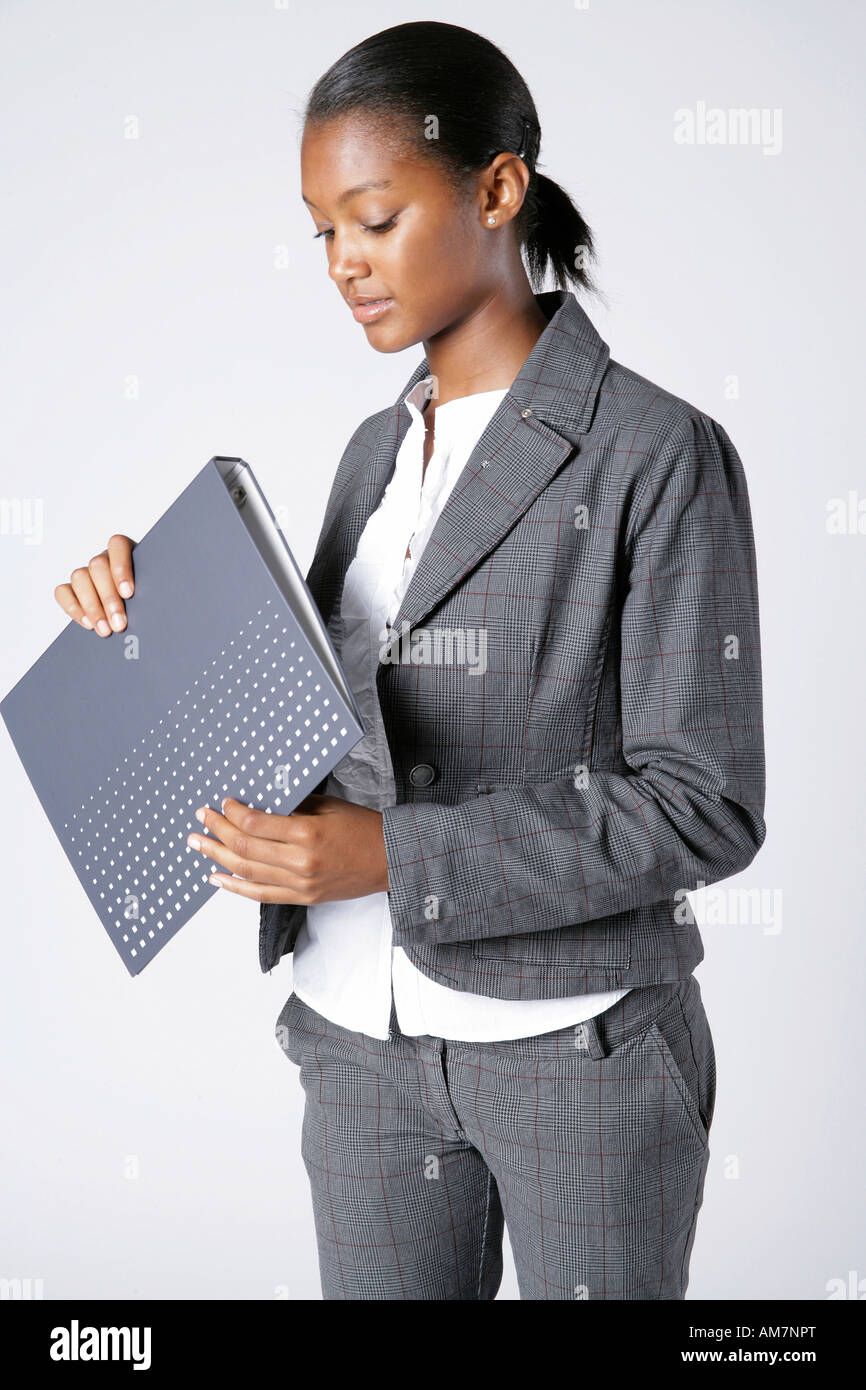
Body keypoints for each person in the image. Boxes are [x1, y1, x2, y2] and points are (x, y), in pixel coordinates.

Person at [54, 21, 766, 1300]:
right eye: (322, 230)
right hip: (357, 1044)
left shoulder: (655, 452)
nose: (340, 264)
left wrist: (396, 858)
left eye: (372, 220)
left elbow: (702, 800)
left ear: (495, 189)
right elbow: (314, 728)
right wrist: (143, 623)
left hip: (574, 1049)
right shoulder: (370, 457)